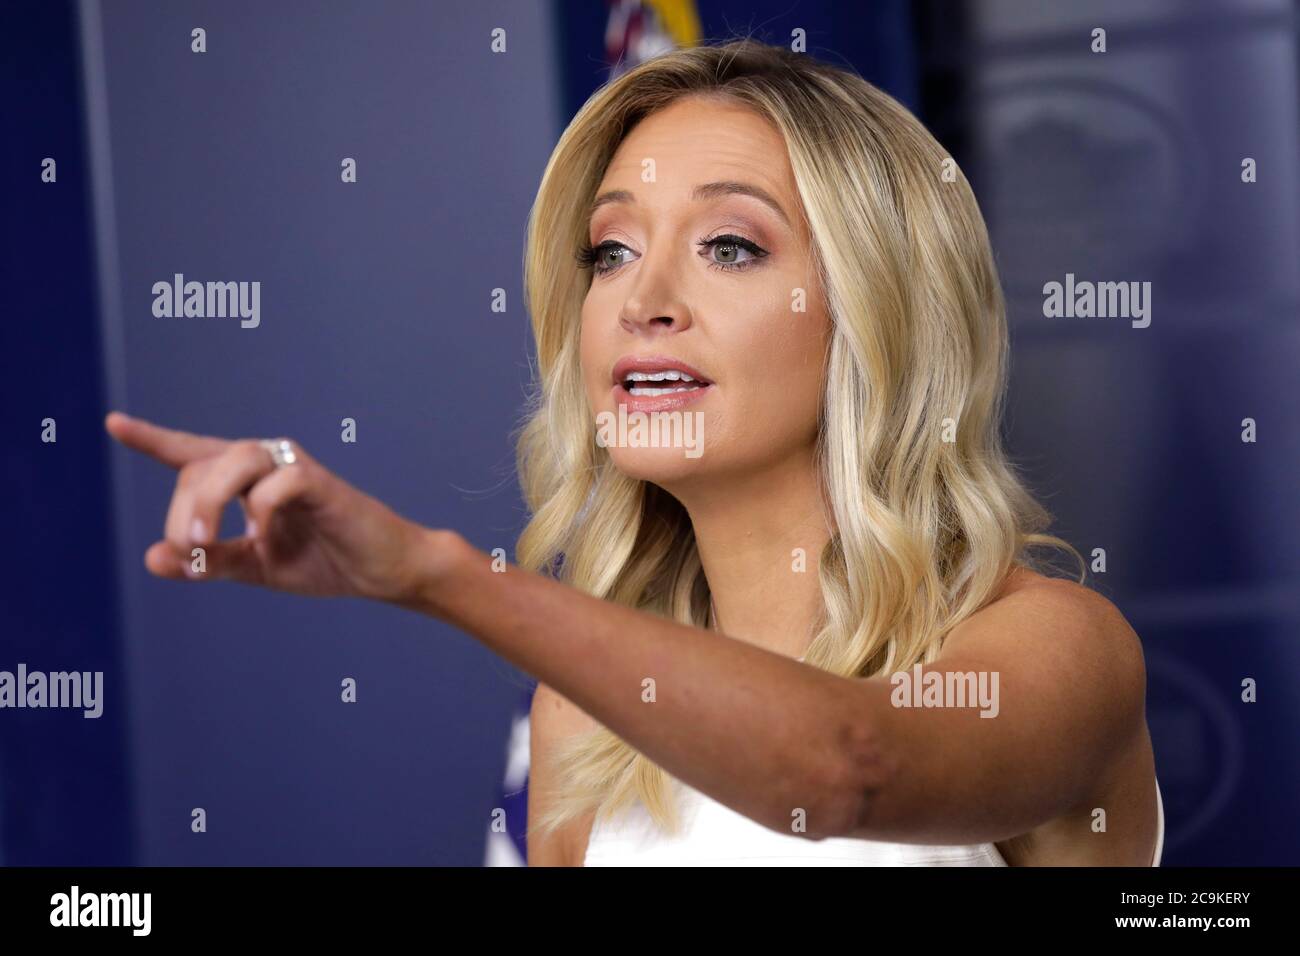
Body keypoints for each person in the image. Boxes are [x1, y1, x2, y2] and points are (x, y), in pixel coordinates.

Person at [105, 39, 1163, 867]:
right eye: (610, 251)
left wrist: (436, 574)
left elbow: (845, 767)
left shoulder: (1054, 644)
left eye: (730, 246)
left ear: (880, 308)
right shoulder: (581, 718)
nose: (642, 301)